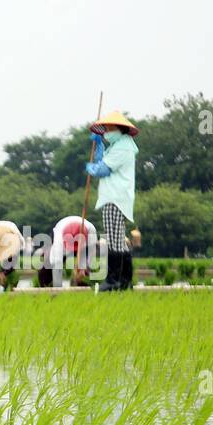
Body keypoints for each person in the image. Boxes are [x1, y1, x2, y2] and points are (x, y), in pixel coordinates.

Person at [85, 110, 139, 291]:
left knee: (114, 240)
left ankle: (113, 280)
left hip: (114, 198)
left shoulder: (124, 146)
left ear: (119, 128)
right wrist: (99, 145)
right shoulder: (119, 145)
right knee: (118, 240)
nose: (106, 131)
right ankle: (124, 281)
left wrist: (92, 169)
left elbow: (104, 169)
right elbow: (103, 160)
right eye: (105, 128)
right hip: (116, 197)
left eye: (109, 128)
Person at [38, 215, 96, 288]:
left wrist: (84, 268)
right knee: (47, 265)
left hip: (84, 247)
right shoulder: (59, 236)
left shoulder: (91, 231)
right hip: (61, 234)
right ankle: (45, 287)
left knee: (85, 272)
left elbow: (91, 253)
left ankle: (82, 289)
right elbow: (57, 262)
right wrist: (58, 287)